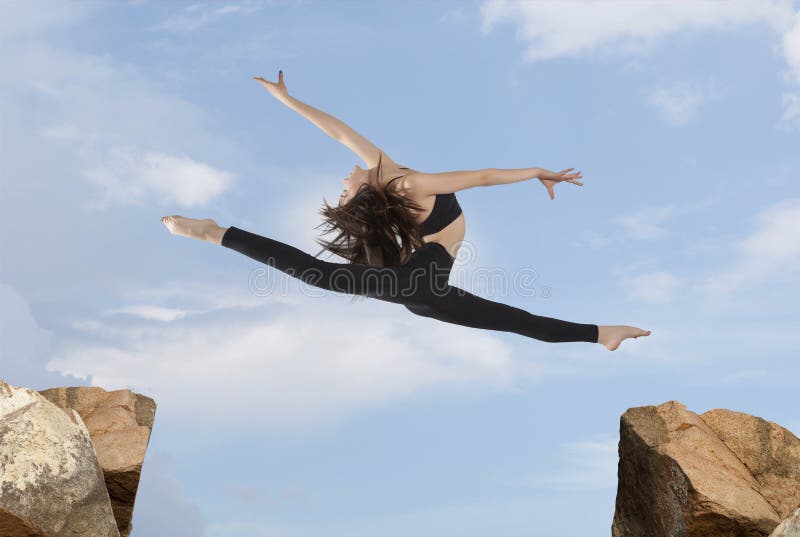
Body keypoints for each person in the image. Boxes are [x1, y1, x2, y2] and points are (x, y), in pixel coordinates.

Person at [161, 70, 651, 350]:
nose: (345, 175)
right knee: (510, 318)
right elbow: (339, 134)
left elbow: (477, 176)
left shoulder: (405, 179)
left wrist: (536, 171)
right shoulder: (394, 179)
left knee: (511, 319)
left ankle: (600, 333)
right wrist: (286, 100)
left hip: (424, 283)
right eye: (347, 184)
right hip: (421, 288)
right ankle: (600, 333)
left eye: (346, 181)